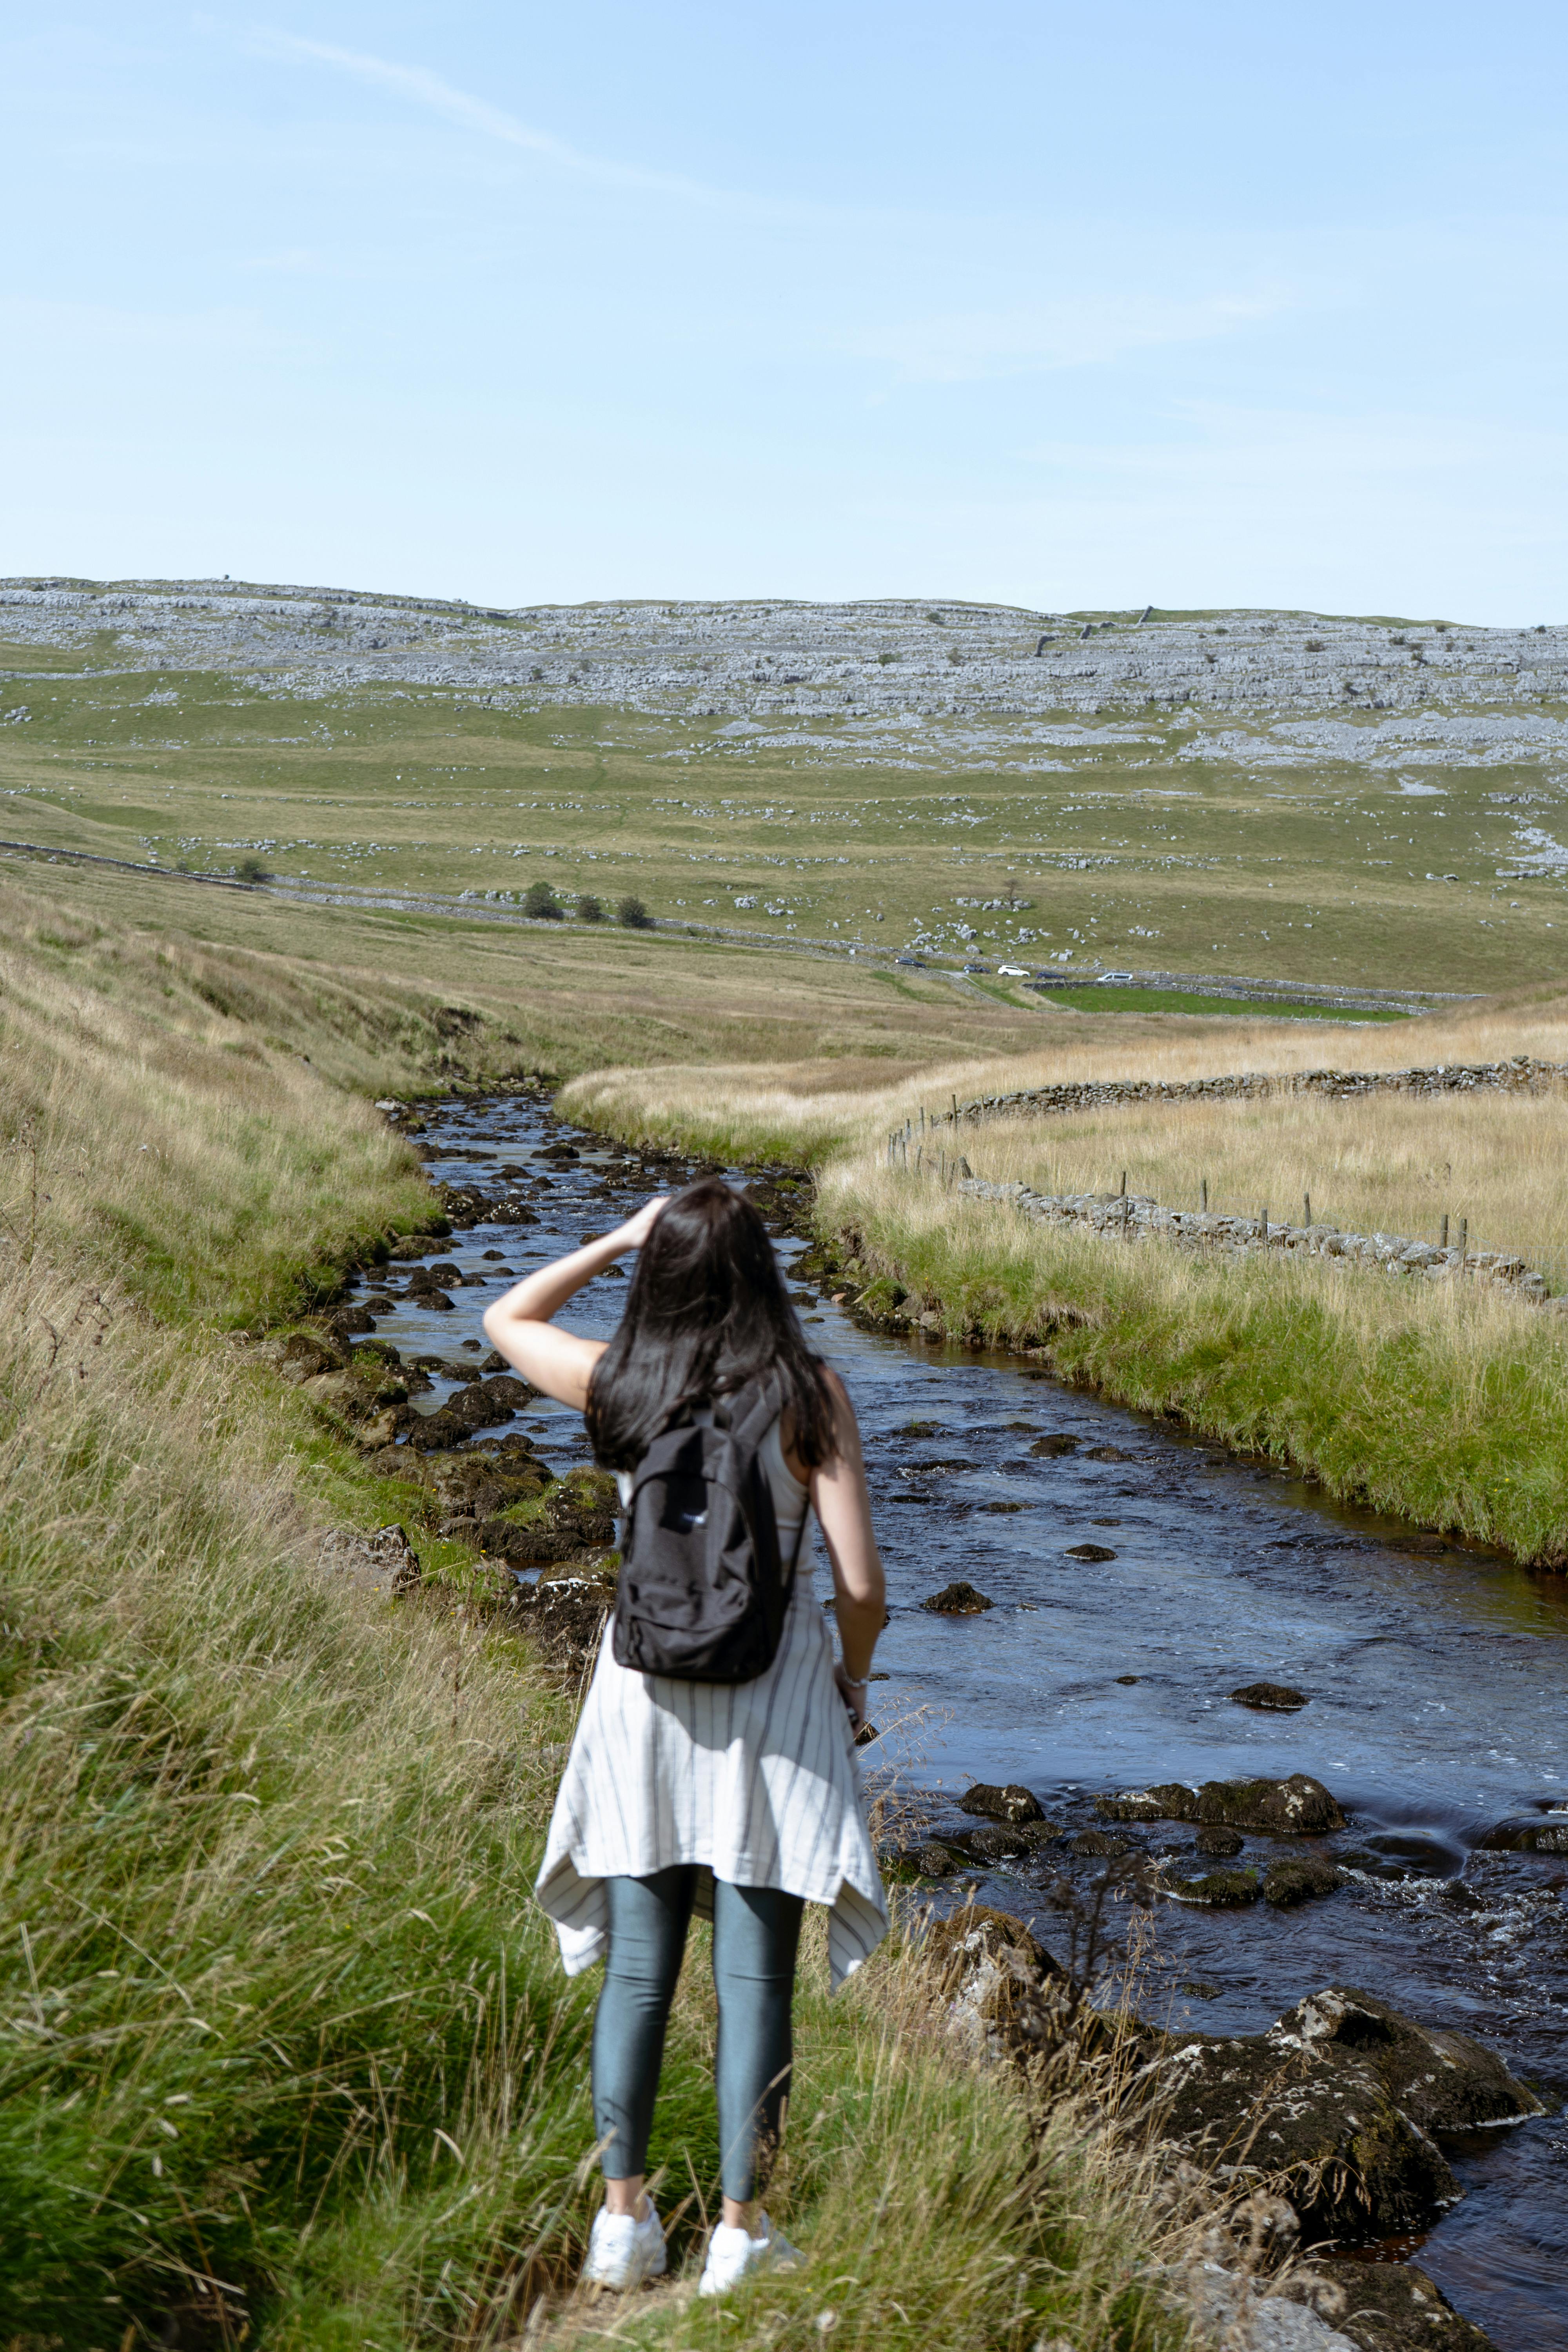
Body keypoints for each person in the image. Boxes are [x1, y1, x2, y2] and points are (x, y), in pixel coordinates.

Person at [482, 1178, 889, 2297]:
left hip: (639, 1698)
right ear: (761, 1273)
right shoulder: (814, 1395)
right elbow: (860, 1586)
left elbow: (503, 1320)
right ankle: (741, 2236)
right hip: (777, 1701)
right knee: (757, 1979)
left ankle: (622, 2222)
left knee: (641, 1974)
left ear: (662, 1271)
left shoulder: (624, 1382)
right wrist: (850, 1684)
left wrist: (616, 1236)